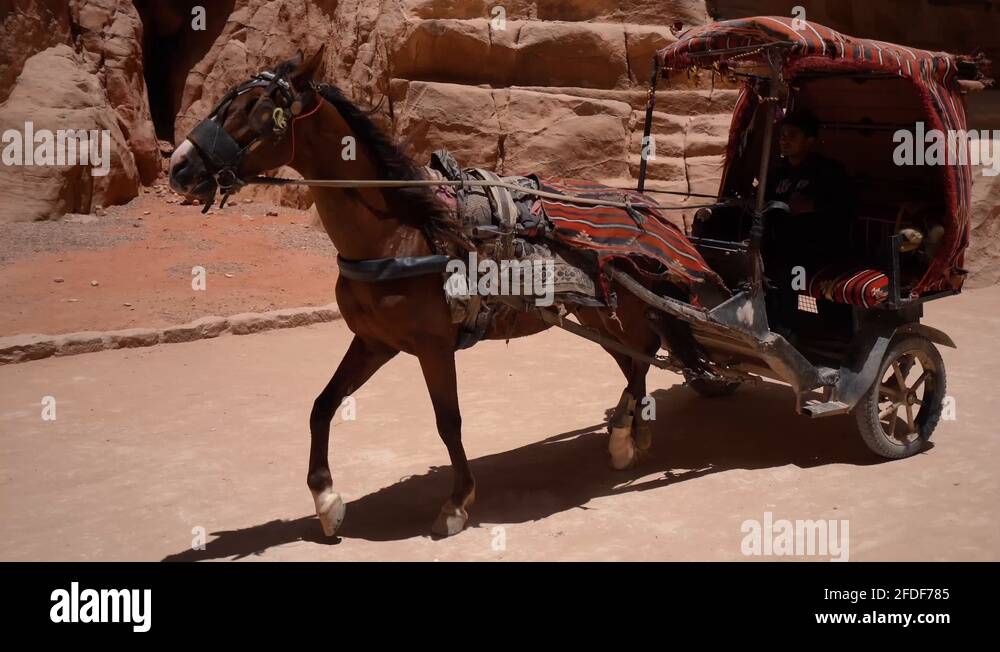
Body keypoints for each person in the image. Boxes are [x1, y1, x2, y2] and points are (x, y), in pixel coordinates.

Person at [763, 109, 857, 329]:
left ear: (809, 141)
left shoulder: (829, 172)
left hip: (816, 250)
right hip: (782, 246)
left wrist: (811, 206)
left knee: (787, 277)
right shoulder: (778, 173)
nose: (785, 140)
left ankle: (794, 331)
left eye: (792, 136)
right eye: (783, 135)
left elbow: (848, 207)